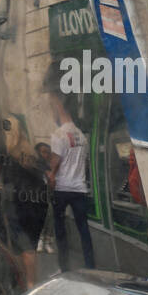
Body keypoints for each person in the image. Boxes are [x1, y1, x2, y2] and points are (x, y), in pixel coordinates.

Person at [0, 116, 49, 289]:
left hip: (16, 200)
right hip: (37, 202)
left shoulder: (1, 148)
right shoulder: (31, 150)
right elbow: (47, 176)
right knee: (30, 245)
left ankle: (19, 281)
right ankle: (32, 283)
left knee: (15, 242)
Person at [48, 96, 95, 270]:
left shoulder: (59, 135)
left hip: (61, 189)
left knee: (60, 230)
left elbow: (54, 168)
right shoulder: (82, 136)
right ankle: (91, 266)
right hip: (79, 188)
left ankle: (64, 268)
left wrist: (49, 179)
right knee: (84, 229)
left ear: (60, 108)